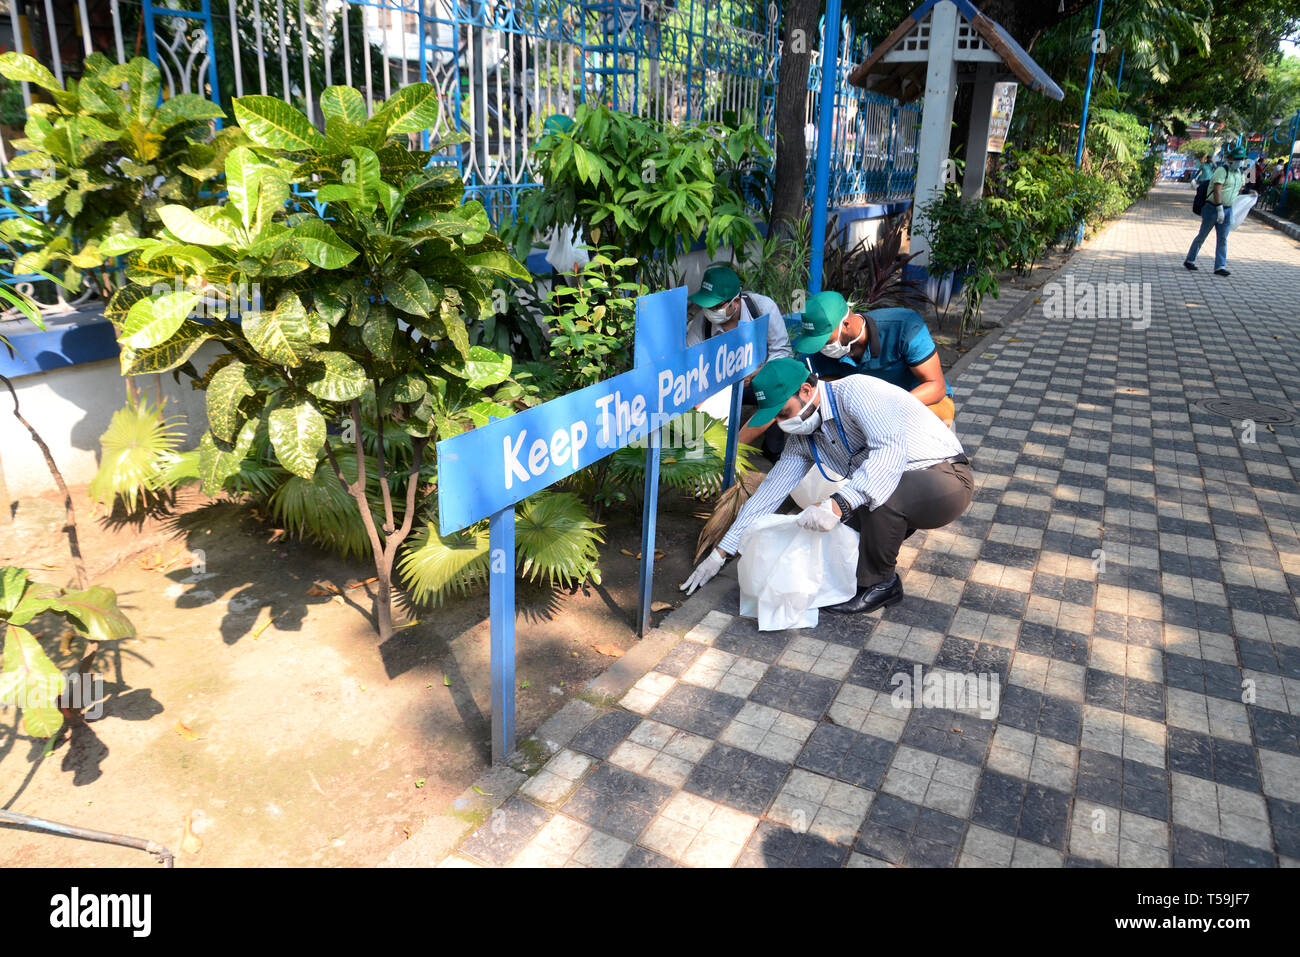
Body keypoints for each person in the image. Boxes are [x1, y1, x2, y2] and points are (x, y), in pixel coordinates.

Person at [680, 358, 974, 615]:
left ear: (806, 390)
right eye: (776, 418)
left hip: (946, 478)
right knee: (836, 528)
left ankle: (882, 584)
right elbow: (769, 495)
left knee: (873, 498)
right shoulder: (803, 440)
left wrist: (839, 503)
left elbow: (889, 454)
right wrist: (720, 554)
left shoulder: (857, 392)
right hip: (906, 487)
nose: (783, 424)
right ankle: (874, 555)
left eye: (784, 412)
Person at [686, 263, 791, 361]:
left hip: (764, 376)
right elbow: (691, 359)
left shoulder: (763, 309)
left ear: (735, 301)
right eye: (706, 306)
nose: (711, 311)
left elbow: (782, 351)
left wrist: (759, 373)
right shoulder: (702, 322)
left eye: (717, 306)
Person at [1185, 144, 1247, 277]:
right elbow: (1217, 189)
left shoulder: (1240, 173)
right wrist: (1219, 208)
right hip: (1213, 208)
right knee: (1202, 235)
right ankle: (1190, 260)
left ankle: (1220, 266)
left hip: (1228, 209)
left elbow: (1240, 189)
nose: (1239, 161)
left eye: (1241, 159)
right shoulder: (1222, 170)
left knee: (1223, 238)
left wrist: (1249, 194)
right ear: (1230, 158)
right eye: (1237, 158)